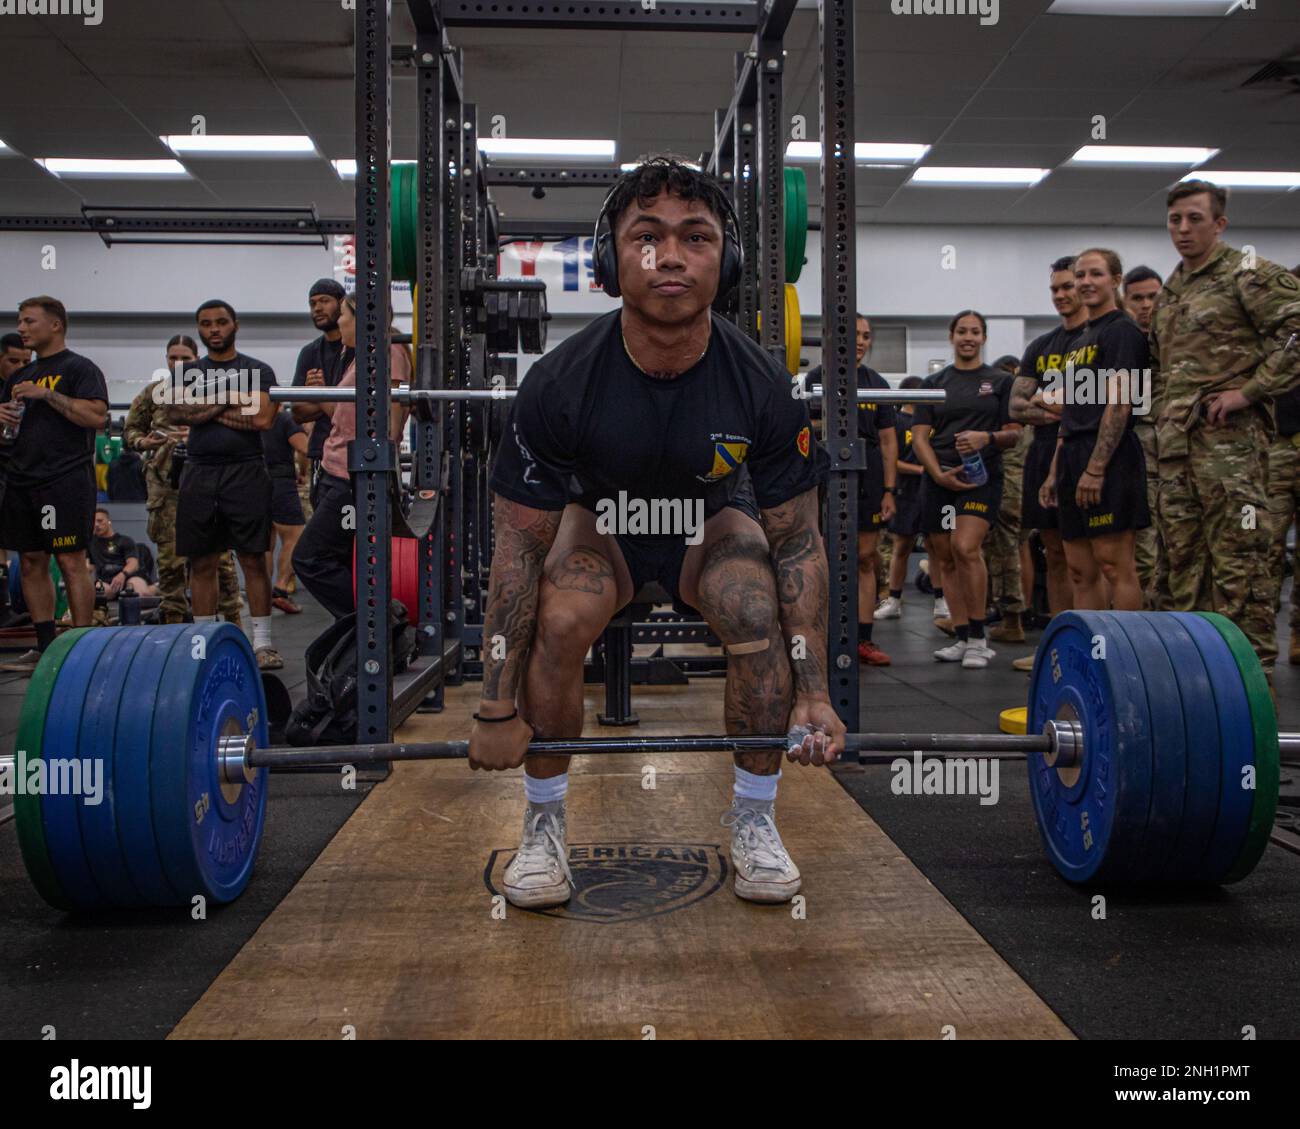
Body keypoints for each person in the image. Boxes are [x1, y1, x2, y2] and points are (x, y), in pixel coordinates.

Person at [472, 156, 838, 909]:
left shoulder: (761, 382)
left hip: (706, 527)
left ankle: (754, 818)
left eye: (695, 237)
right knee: (562, 613)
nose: (669, 256)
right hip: (602, 527)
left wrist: (815, 695)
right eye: (646, 237)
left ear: (725, 260)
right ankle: (542, 822)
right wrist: (494, 706)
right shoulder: (559, 382)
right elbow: (519, 550)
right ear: (610, 260)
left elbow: (798, 542)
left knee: (751, 599)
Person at [1151, 180, 1300, 676]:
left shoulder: (1248, 274)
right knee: (1181, 572)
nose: (1183, 229)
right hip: (1177, 455)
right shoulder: (1173, 289)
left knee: (1240, 568)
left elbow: (1296, 332)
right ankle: (1197, 690)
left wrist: (1250, 392)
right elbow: (1163, 371)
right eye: (1175, 219)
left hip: (1230, 454)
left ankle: (1253, 696)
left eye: (1195, 218)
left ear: (1219, 224)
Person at [161, 300, 279, 669]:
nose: (214, 329)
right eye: (206, 323)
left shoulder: (256, 369)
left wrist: (203, 407)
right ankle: (202, 642)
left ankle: (262, 643)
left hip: (245, 471)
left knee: (253, 559)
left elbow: (261, 418)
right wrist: (229, 398)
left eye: (221, 322)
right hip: (199, 471)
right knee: (202, 560)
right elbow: (174, 411)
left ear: (235, 325)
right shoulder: (186, 373)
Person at [0, 296, 107, 674]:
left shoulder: (79, 368)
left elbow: (96, 416)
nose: (22, 328)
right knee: (30, 561)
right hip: (21, 480)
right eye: (20, 321)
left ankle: (81, 647)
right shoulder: (16, 377)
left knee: (70, 559)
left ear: (56, 325)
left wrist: (47, 394)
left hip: (62, 480)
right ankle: (46, 647)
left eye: (29, 321)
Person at [1039, 249, 1149, 610]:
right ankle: (1092, 655)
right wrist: (1056, 470)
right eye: (1080, 275)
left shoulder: (1122, 330)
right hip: (1073, 454)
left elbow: (1120, 403)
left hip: (1109, 459)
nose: (1086, 282)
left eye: (1096, 274)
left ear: (1116, 280)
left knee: (1114, 566)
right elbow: (1071, 412)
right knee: (1079, 571)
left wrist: (1096, 468)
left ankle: (1125, 659)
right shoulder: (1078, 341)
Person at [290, 295, 410, 619]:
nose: (338, 321)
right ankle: (367, 630)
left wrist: (387, 451)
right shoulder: (361, 358)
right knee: (339, 560)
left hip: (354, 477)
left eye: (342, 314)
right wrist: (322, 392)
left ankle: (376, 622)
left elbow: (395, 407)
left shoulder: (390, 350)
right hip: (335, 472)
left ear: (360, 319)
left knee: (309, 559)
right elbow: (343, 417)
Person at [910, 311, 1018, 669]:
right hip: (940, 479)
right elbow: (921, 437)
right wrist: (937, 474)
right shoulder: (934, 383)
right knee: (944, 556)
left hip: (979, 477)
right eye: (962, 331)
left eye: (975, 331)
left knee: (965, 546)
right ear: (952, 336)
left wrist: (985, 437)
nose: (968, 337)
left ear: (984, 337)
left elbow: (1014, 433)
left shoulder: (999, 382)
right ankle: (960, 635)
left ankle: (978, 637)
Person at [123, 336, 244, 626]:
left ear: (196, 358)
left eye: (185, 358)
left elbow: (239, 429)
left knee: (222, 562)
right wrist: (144, 442)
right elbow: (130, 431)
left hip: (209, 482)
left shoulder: (213, 390)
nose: (178, 363)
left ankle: (233, 623)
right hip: (166, 488)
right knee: (170, 562)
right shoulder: (154, 393)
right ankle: (174, 624)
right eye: (172, 358)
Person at [1008, 258, 1087, 669]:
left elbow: (1112, 401)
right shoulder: (1041, 347)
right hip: (1042, 453)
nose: (1061, 295)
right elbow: (1017, 406)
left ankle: (1098, 647)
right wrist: (1057, 408)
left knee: (1092, 558)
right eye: (1055, 288)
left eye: (1068, 286)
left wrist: (1060, 407)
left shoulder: (1102, 339)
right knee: (1054, 552)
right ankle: (1057, 647)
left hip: (1082, 451)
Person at [805, 314, 897, 665]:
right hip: (826, 471)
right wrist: (830, 423)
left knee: (863, 558)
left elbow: (889, 441)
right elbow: (804, 428)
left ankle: (863, 639)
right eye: (853, 334)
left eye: (865, 336)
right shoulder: (815, 380)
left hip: (869, 472)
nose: (860, 341)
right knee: (823, 559)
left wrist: (890, 490)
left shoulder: (876, 383)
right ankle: (821, 636)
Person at [1122, 264, 1168, 608]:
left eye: (1153, 296)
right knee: (1140, 548)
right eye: (1137, 298)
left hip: (1181, 456)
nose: (1146, 304)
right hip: (1135, 458)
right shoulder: (1120, 343)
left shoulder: (1181, 344)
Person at [289, 279, 352, 511]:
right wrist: (333, 399)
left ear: (342, 303)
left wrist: (318, 394)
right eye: (312, 303)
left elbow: (352, 411)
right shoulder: (310, 352)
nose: (317, 308)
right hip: (320, 454)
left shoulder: (359, 349)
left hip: (350, 457)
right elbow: (297, 412)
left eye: (324, 301)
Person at [1266, 266, 1300, 664]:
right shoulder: (1273, 336)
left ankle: (1297, 632)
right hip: (1276, 449)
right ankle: (1260, 646)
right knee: (1265, 546)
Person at [984, 353, 1028, 645]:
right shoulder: (1018, 406)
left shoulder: (1013, 410)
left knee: (1006, 548)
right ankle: (1009, 614)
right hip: (1018, 479)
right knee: (1014, 546)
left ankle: (1013, 618)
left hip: (1011, 481)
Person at [876, 376, 926, 619]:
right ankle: (893, 599)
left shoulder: (928, 422)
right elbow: (891, 460)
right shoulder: (897, 421)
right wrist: (922, 469)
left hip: (929, 489)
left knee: (939, 547)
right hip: (905, 490)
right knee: (901, 546)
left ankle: (941, 600)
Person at [263, 408, 309, 614]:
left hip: (255, 481)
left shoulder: (251, 419)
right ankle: (280, 589)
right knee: (295, 536)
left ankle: (262, 596)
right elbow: (304, 448)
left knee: (265, 543)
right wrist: (304, 472)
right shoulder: (285, 419)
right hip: (281, 483)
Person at [87, 507, 157, 599]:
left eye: (100, 521)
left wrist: (122, 575)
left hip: (129, 576)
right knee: (98, 595)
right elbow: (88, 567)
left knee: (140, 593)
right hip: (107, 581)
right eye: (94, 522)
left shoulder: (124, 540)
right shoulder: (91, 544)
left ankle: (158, 588)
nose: (96, 525)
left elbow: (133, 564)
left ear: (108, 521)